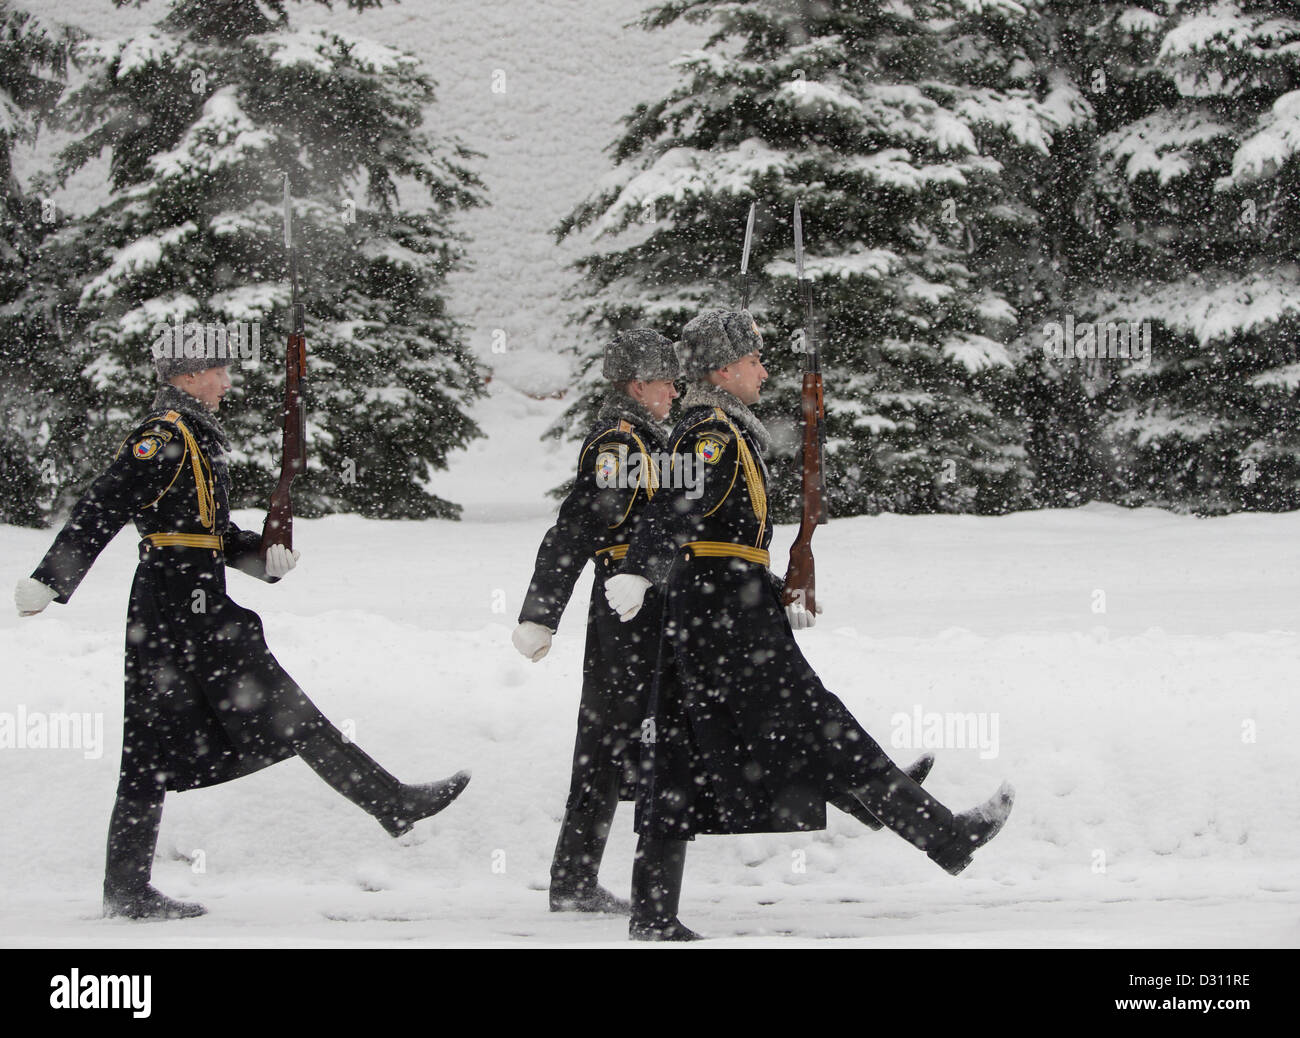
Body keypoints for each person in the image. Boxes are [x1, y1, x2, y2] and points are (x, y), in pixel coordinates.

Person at [14, 352, 470, 920]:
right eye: (218, 372)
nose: (227, 383)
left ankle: (126, 889)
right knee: (281, 708)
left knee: (150, 749)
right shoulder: (162, 436)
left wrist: (264, 557)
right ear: (187, 378)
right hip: (178, 604)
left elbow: (213, 533)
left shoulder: (196, 437)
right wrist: (51, 579)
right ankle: (391, 801)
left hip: (187, 601)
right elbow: (104, 504)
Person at [604, 310, 1015, 941]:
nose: (765, 371)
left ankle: (653, 916)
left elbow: (719, 532)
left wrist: (768, 585)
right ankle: (941, 834)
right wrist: (640, 567)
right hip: (725, 620)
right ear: (724, 370)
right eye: (753, 360)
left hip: (718, 609)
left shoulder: (723, 429)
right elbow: (675, 506)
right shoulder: (709, 433)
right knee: (822, 725)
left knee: (678, 760)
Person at [512, 329, 681, 913]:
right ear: (638, 386)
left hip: (648, 601)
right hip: (630, 607)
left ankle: (575, 879)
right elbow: (577, 528)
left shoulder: (649, 441)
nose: (675, 391)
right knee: (611, 739)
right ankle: (859, 788)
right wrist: (540, 615)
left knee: (614, 741)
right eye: (667, 382)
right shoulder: (618, 445)